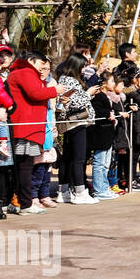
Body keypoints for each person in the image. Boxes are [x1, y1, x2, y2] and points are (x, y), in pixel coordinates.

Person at [5, 51, 57, 215]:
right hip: (26, 128)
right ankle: (25, 203)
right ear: (31, 61)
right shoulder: (25, 72)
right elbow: (35, 94)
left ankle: (23, 201)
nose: (43, 68)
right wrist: (55, 90)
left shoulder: (23, 73)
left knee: (24, 165)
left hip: (29, 128)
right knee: (25, 165)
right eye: (41, 63)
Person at [54, 54, 95, 204]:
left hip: (70, 123)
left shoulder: (63, 78)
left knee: (68, 157)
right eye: (83, 66)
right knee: (79, 158)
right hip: (76, 122)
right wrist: (88, 94)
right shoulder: (70, 80)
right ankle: (79, 191)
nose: (84, 70)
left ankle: (63, 191)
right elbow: (75, 102)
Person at [88, 70, 124, 201]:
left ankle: (104, 187)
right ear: (104, 83)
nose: (114, 84)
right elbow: (95, 111)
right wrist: (107, 114)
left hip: (108, 133)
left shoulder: (107, 96)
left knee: (106, 164)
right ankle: (99, 189)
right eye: (112, 81)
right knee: (100, 163)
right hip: (100, 133)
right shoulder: (97, 96)